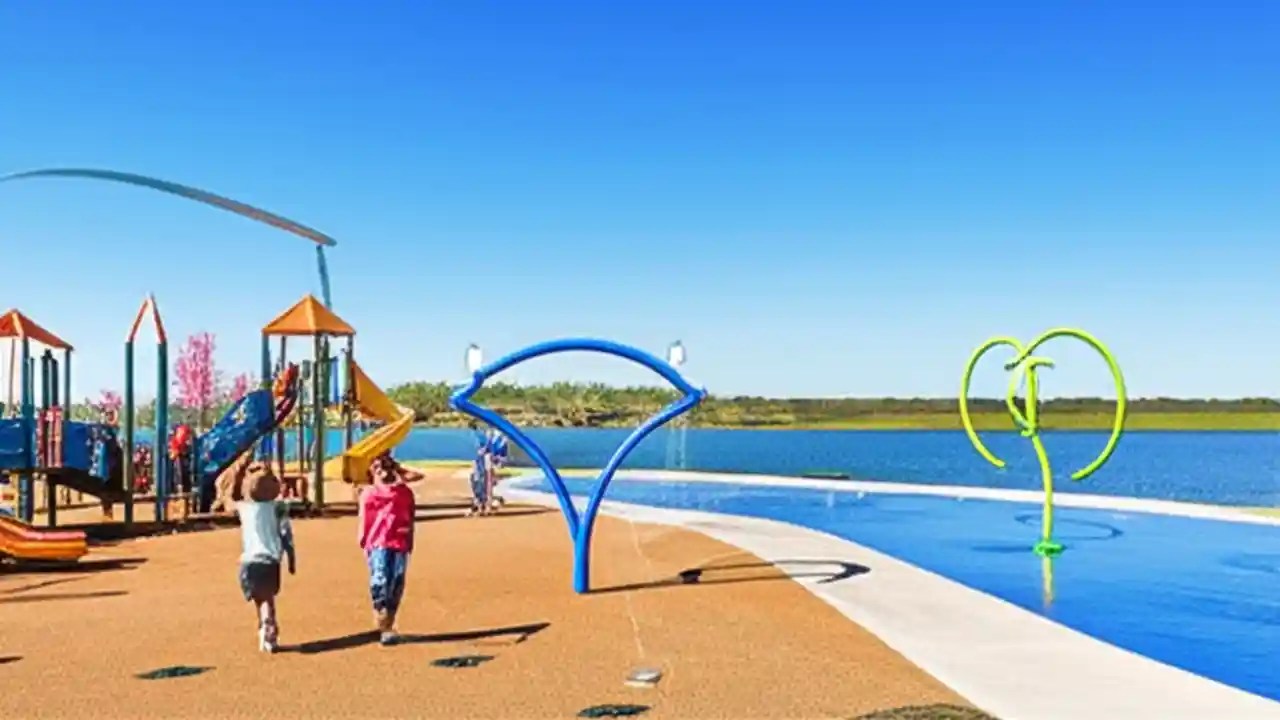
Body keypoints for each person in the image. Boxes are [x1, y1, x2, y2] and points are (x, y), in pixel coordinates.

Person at [228, 451, 296, 653]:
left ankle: (263, 626)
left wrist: (241, 468)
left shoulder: (245, 507)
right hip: (271, 560)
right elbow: (286, 535)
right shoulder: (279, 508)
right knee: (269, 599)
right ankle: (268, 627)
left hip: (249, 561)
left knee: (259, 598)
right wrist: (291, 558)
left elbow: (231, 494)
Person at [358, 455, 416, 645]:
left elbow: (411, 516)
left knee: (397, 581)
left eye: (385, 467)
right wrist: (364, 540)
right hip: (378, 542)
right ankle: (382, 620)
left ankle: (390, 621)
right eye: (376, 467)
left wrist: (397, 470)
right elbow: (364, 518)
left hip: (399, 541)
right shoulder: (369, 493)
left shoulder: (404, 493)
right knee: (380, 579)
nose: (382, 470)